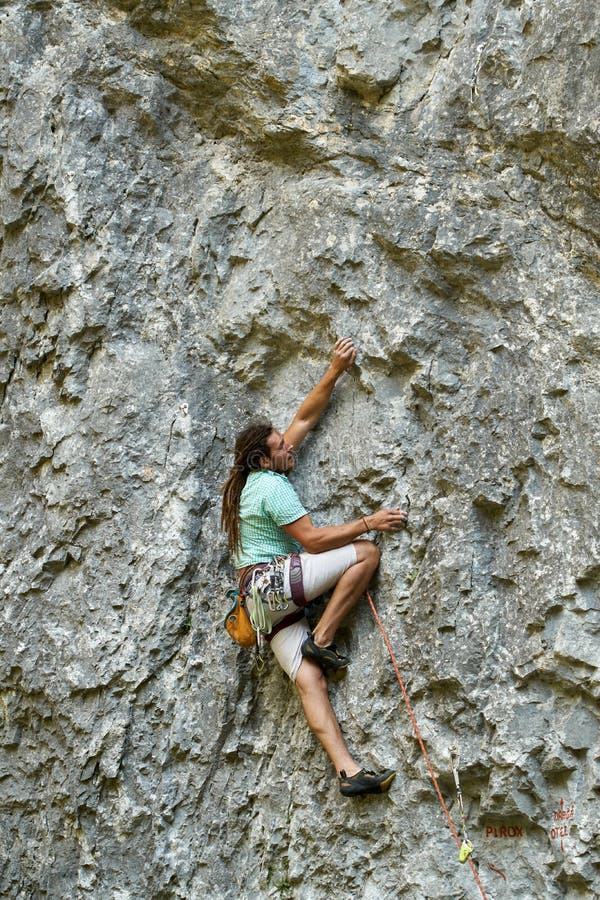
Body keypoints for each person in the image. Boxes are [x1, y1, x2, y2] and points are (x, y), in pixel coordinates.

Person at [221, 338, 409, 796]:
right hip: (272, 585)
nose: (291, 444)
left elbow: (304, 417)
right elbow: (313, 540)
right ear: (264, 459)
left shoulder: (258, 477)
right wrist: (369, 522)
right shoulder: (271, 485)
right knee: (366, 553)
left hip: (259, 606)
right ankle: (321, 640)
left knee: (310, 681)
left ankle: (348, 772)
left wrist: (335, 369)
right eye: (281, 445)